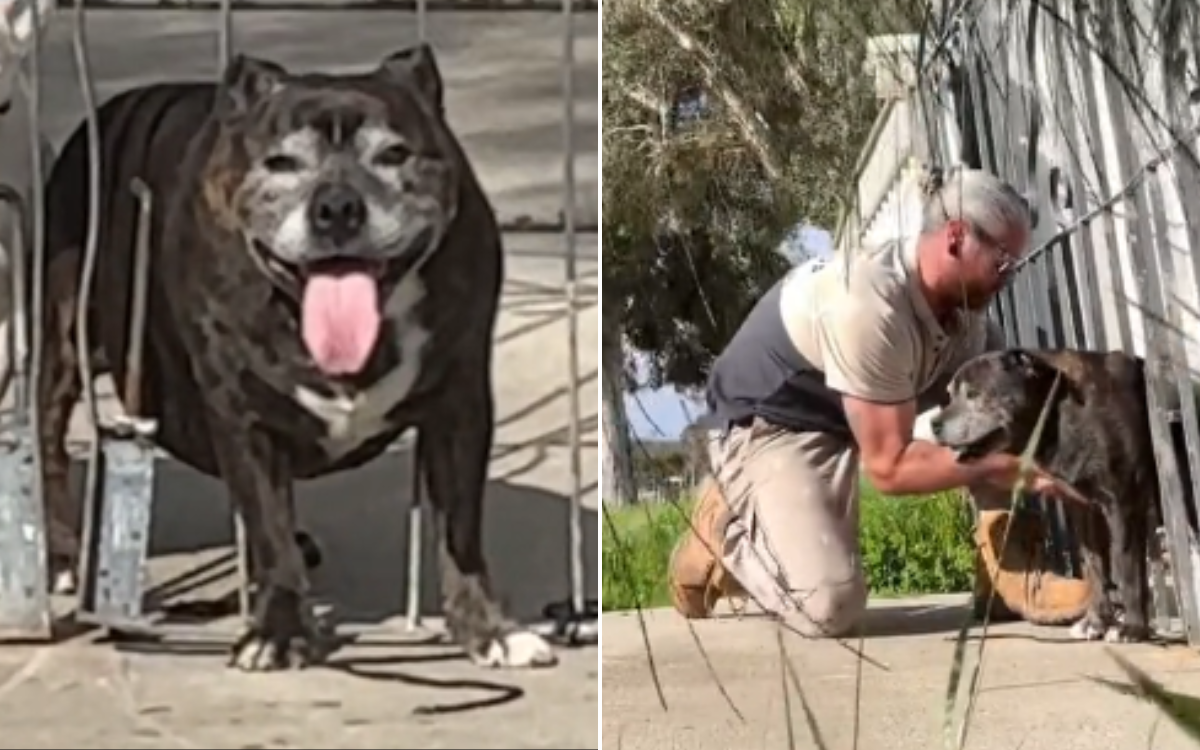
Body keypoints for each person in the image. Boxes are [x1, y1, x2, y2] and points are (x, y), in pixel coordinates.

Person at [669, 166, 1091, 636]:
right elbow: (889, 468)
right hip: (770, 419)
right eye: (1002, 263)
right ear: (955, 237)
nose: (1008, 278)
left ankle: (1008, 569)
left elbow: (998, 423)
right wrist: (1000, 469)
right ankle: (724, 527)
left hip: (846, 409)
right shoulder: (867, 305)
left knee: (998, 406)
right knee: (828, 605)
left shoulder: (966, 312)